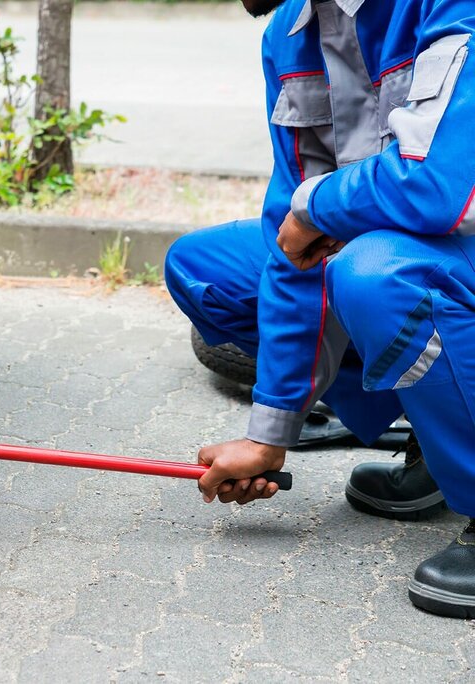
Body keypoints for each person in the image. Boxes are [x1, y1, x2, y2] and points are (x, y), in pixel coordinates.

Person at [164, 0, 475, 618]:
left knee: (375, 275)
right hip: (411, 242)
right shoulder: (290, 32)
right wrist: (268, 434)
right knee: (207, 273)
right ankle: (439, 444)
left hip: (452, 241)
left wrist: (319, 209)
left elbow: (437, 188)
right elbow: (294, 235)